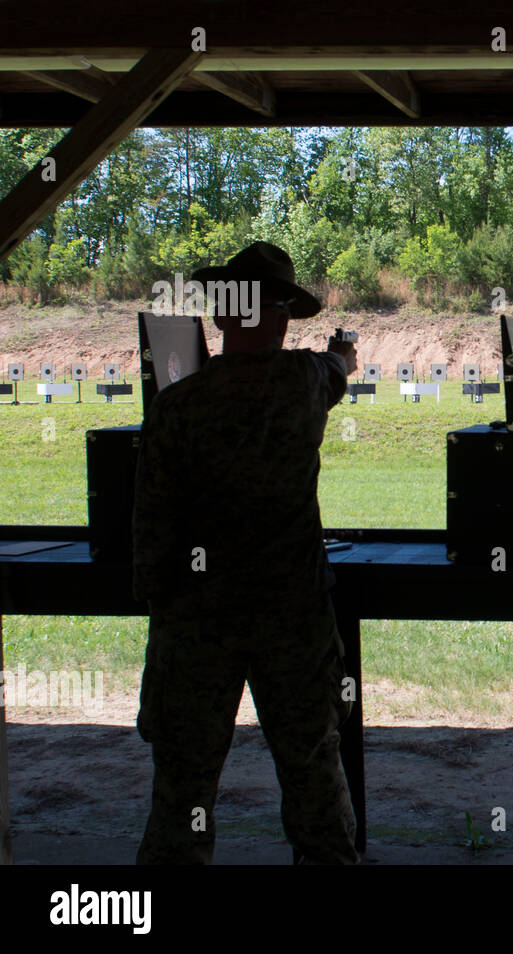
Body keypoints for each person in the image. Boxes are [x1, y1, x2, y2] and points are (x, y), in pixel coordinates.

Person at [133, 241, 360, 864]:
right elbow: (336, 370)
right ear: (283, 316)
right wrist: (343, 353)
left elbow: (150, 542)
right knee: (314, 785)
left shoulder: (174, 408)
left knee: (181, 795)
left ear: (220, 315)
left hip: (195, 626)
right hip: (292, 621)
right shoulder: (307, 381)